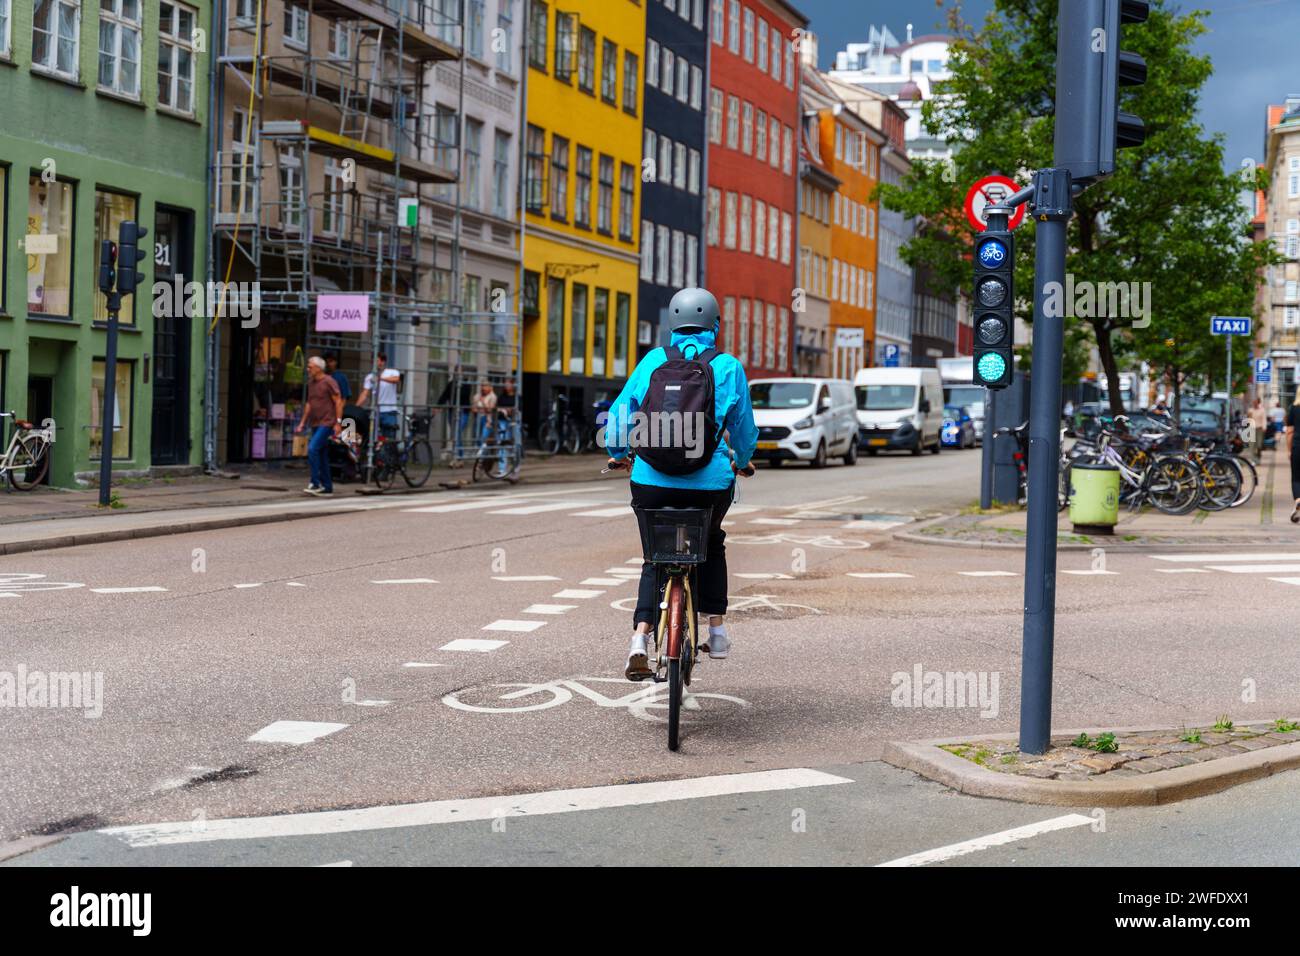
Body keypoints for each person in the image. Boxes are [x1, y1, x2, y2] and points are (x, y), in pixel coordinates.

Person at [604, 287, 758, 681]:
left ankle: (640, 638)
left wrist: (620, 452)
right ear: (716, 325)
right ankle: (718, 631)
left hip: (651, 482)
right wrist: (741, 460)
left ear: (672, 324)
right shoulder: (727, 367)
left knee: (655, 556)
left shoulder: (653, 361)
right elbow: (743, 429)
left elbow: (621, 413)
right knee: (711, 544)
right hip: (709, 484)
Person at [295, 356, 343, 496]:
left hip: (327, 422)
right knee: (322, 455)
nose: (308, 369)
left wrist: (338, 423)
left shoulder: (329, 381)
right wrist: (302, 423)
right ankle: (327, 487)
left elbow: (338, 401)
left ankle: (315, 483)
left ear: (318, 368)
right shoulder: (311, 383)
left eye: (310, 366)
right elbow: (309, 404)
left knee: (313, 449)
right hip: (315, 422)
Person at [357, 352, 402, 439]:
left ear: (383, 361)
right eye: (373, 361)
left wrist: (380, 378)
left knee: (389, 437)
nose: (375, 363)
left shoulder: (392, 372)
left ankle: (387, 452)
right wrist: (356, 407)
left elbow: (396, 379)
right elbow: (364, 393)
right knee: (373, 436)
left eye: (377, 360)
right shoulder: (369, 377)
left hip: (389, 411)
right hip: (375, 411)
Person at [1288, 393, 1300, 524]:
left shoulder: (1294, 409)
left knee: (1296, 477)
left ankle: (1298, 500)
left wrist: (1288, 449)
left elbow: (1289, 431)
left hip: (1297, 446)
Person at [1248, 398, 1268, 463]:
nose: (1254, 404)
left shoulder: (1262, 410)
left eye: (1255, 402)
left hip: (1259, 429)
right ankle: (1254, 460)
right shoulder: (1250, 410)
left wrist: (1264, 427)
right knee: (1252, 445)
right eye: (1253, 403)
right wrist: (1249, 416)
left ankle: (1258, 456)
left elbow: (1264, 419)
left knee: (1259, 445)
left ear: (1258, 403)